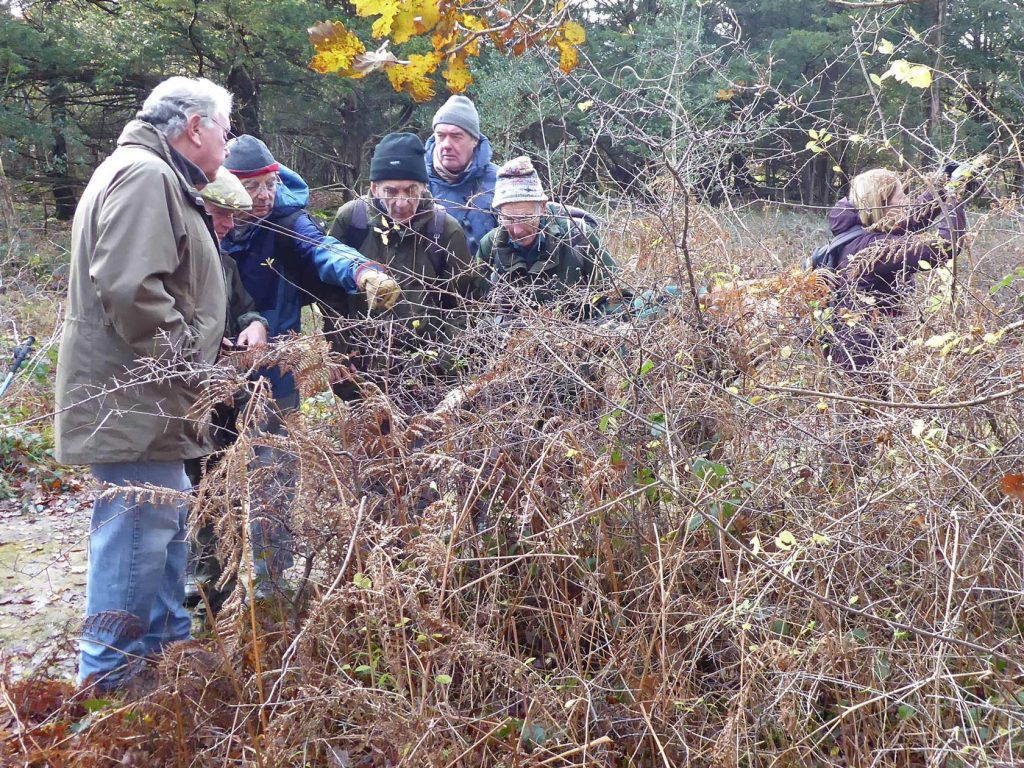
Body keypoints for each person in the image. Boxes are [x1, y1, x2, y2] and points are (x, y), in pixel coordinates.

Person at [54, 76, 232, 690]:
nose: (227, 145)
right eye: (224, 131)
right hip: (138, 401)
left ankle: (164, 665)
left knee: (158, 532)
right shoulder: (145, 175)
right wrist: (188, 362)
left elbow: (164, 287)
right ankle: (111, 683)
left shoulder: (153, 174)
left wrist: (210, 346)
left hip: (151, 399)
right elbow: (132, 289)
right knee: (135, 535)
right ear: (194, 127)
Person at [219, 136, 400, 595]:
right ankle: (205, 586)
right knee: (208, 477)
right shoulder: (201, 221)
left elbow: (322, 250)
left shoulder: (286, 221)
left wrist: (363, 272)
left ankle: (271, 582)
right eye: (252, 187)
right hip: (211, 368)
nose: (263, 196)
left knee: (273, 472)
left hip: (275, 367)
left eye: (269, 184)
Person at [326, 132, 483, 401]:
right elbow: (329, 296)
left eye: (411, 190)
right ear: (374, 188)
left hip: (427, 377)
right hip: (360, 373)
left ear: (424, 187)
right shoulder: (352, 221)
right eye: (391, 191)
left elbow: (463, 306)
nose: (402, 202)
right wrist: (339, 354)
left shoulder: (444, 230)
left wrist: (441, 366)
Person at [823, 167, 967, 376]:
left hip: (856, 347)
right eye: (902, 196)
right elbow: (944, 247)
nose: (907, 200)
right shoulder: (872, 248)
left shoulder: (858, 227)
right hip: (866, 359)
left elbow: (907, 220)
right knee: (869, 407)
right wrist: (955, 196)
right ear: (882, 203)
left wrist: (942, 185)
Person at [477, 156, 619, 318]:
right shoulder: (490, 246)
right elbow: (477, 309)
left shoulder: (579, 237)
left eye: (525, 218)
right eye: (508, 219)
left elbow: (616, 297)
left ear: (542, 207)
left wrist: (594, 331)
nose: (517, 230)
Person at [425, 95, 499, 256]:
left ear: (474, 140)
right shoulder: (416, 183)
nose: (446, 145)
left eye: (456, 136)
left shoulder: (500, 182)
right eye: (441, 136)